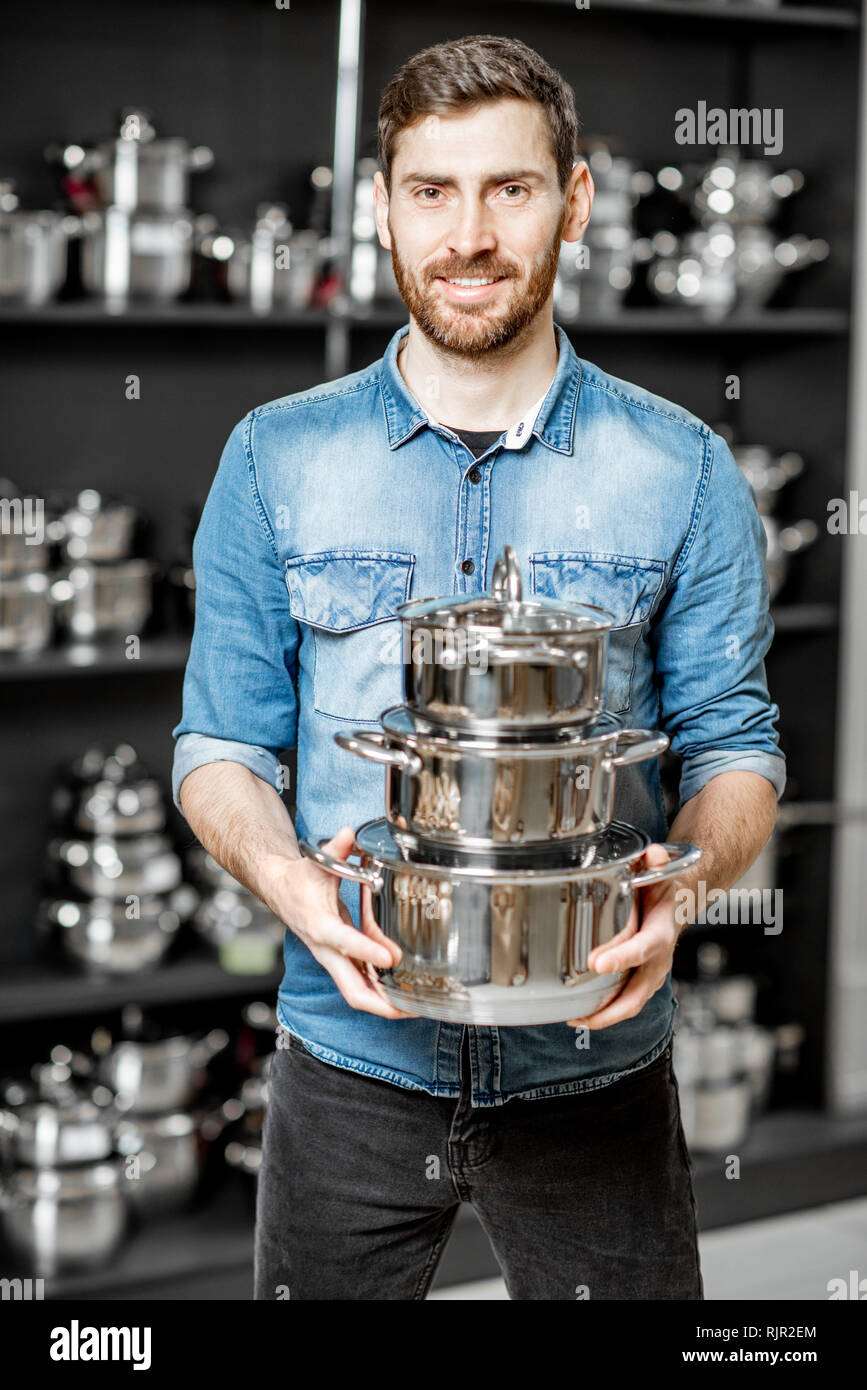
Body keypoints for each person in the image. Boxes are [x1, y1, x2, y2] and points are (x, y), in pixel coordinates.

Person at [172, 34, 785, 1300]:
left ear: (575, 203)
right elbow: (219, 744)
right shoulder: (273, 457)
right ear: (382, 207)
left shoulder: (682, 469)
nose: (468, 237)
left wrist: (689, 882)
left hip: (593, 1066)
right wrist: (290, 884)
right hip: (348, 1062)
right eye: (431, 192)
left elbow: (736, 749)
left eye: (510, 189)